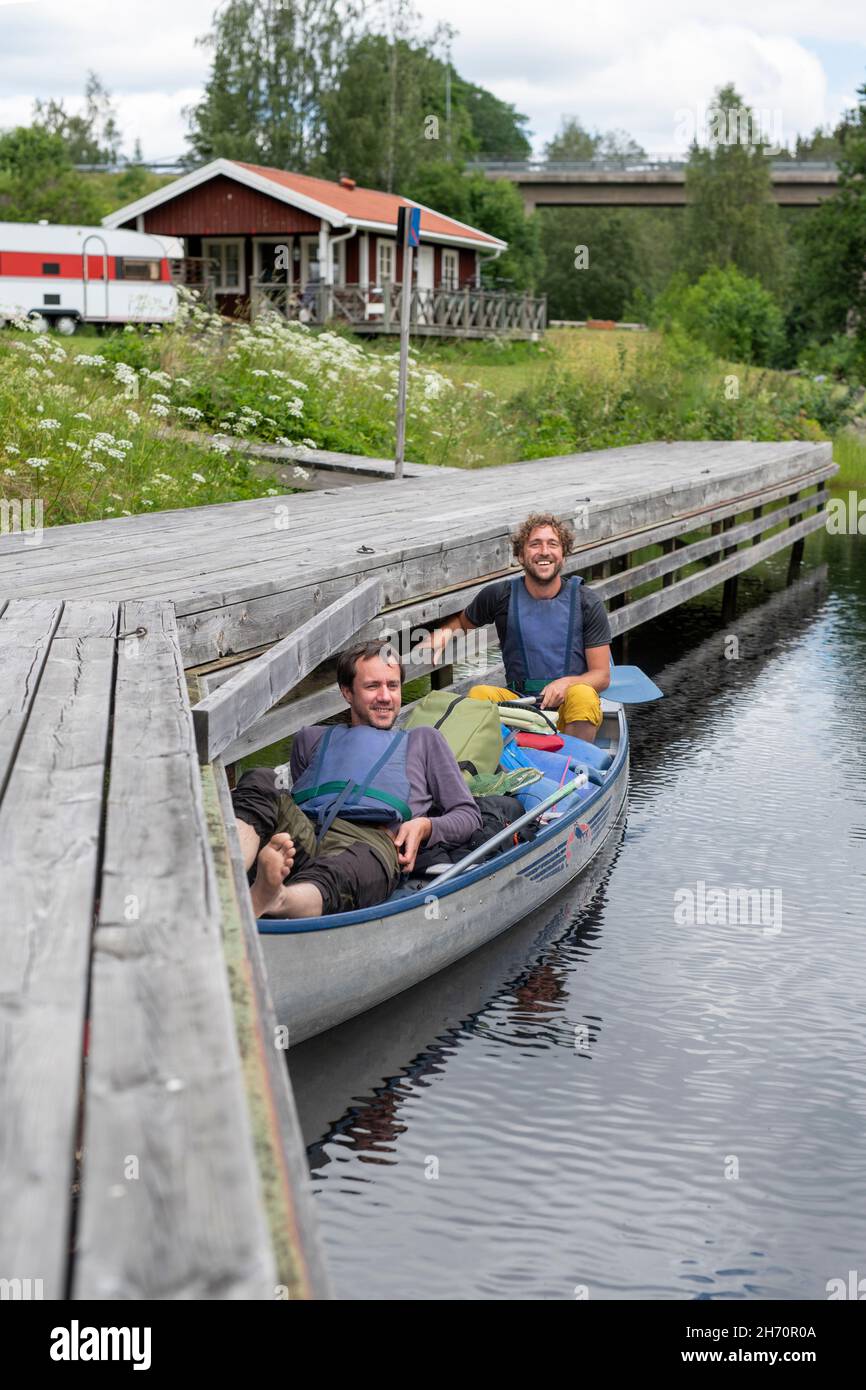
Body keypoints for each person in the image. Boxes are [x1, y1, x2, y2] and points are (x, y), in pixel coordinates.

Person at [232, 641, 482, 919]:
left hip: (371, 842)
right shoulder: (310, 739)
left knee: (342, 872)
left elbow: (468, 815)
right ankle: (230, 876)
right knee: (261, 778)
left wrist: (425, 825)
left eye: (394, 686)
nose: (386, 697)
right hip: (304, 832)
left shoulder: (423, 740)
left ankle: (276, 897)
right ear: (347, 692)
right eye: (373, 686)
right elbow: (296, 799)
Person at [423, 512, 611, 743]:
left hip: (568, 708)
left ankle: (572, 765)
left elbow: (601, 676)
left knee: (583, 693)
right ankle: (492, 763)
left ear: (563, 555)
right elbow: (463, 622)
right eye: (535, 544)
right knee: (478, 695)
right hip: (520, 703)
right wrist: (443, 633)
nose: (544, 551)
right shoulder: (500, 595)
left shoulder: (586, 602)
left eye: (552, 544)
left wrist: (567, 683)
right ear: (521, 555)